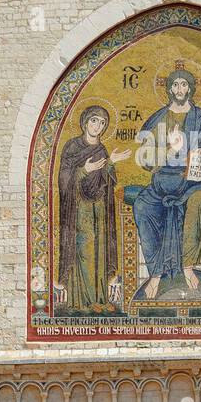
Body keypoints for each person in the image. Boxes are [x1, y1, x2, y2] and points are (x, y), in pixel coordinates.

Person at [128, 67, 201, 300]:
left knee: (197, 200)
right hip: (163, 181)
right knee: (142, 207)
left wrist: (198, 164)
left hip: (193, 180)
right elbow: (146, 161)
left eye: (184, 85)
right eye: (175, 85)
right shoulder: (158, 119)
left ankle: (187, 265)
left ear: (191, 88)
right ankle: (155, 273)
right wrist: (170, 149)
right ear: (169, 89)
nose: (179, 89)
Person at [57, 106, 130, 310]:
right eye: (94, 121)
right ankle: (81, 301)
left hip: (99, 207)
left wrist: (110, 163)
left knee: (100, 250)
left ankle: (99, 299)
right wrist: (83, 170)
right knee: (85, 250)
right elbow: (63, 179)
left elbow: (104, 180)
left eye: (102, 123)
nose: (98, 126)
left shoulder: (101, 149)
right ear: (85, 122)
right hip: (80, 208)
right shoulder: (72, 147)